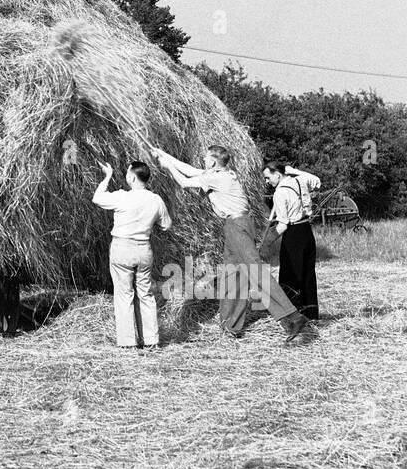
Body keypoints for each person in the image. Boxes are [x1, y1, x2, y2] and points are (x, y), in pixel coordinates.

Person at [151, 144, 310, 342]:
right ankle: (230, 326)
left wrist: (167, 167)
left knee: (255, 271)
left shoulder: (217, 177)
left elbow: (184, 181)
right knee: (232, 276)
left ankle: (293, 317)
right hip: (235, 224)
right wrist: (164, 154)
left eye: (206, 157)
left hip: (237, 226)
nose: (204, 160)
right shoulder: (223, 173)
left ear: (212, 160)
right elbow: (192, 171)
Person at [92, 161, 172, 349]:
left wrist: (107, 176)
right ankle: (151, 341)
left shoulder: (122, 197)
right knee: (145, 293)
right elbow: (167, 225)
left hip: (123, 248)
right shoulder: (156, 199)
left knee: (124, 294)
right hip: (144, 248)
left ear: (133, 177)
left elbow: (97, 198)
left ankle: (128, 344)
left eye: (127, 172)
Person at [264, 160, 320, 321]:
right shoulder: (300, 180)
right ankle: (311, 315)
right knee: (308, 274)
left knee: (290, 275)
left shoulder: (280, 193)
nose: (267, 182)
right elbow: (317, 181)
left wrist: (267, 241)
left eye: (268, 178)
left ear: (278, 174)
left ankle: (292, 316)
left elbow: (283, 224)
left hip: (293, 234)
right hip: (307, 231)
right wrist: (293, 170)